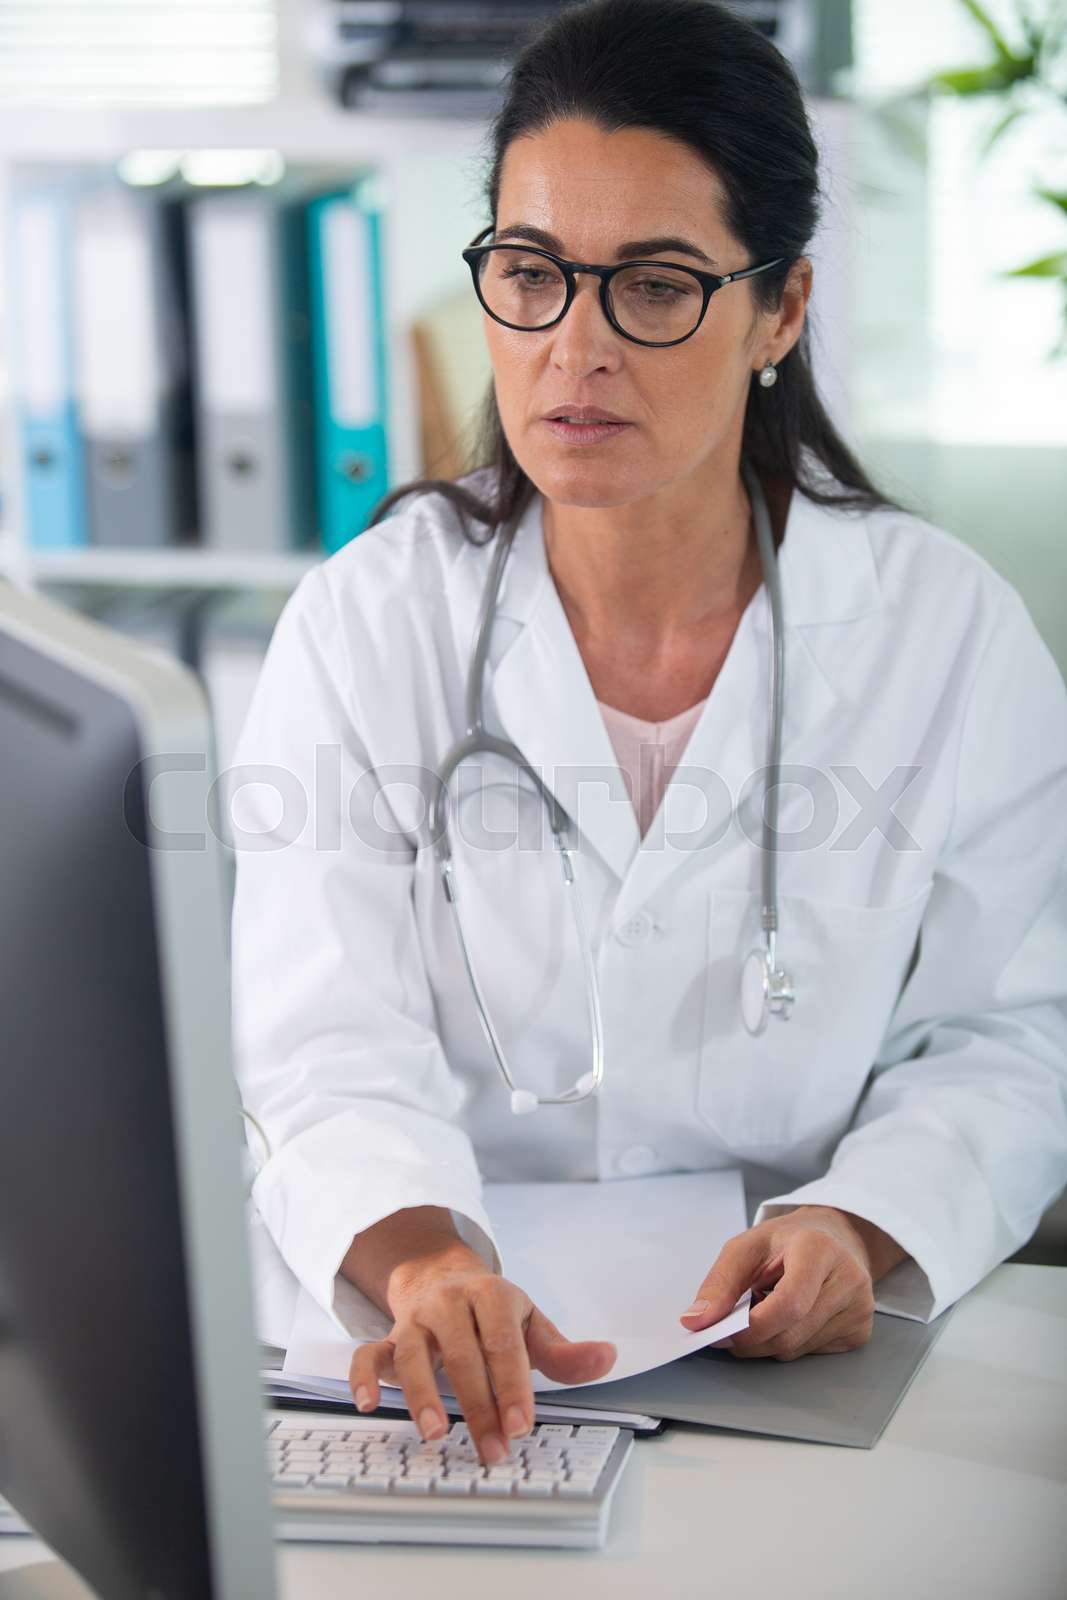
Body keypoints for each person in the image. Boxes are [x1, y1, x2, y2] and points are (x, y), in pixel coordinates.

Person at [229, 0, 1067, 1469]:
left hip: (802, 1385)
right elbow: (317, 1050)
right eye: (533, 274)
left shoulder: (950, 634)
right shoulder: (368, 625)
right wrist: (424, 1261)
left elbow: (1017, 1031)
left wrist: (862, 1227)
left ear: (781, 311)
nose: (578, 348)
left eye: (659, 287)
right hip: (444, 1388)